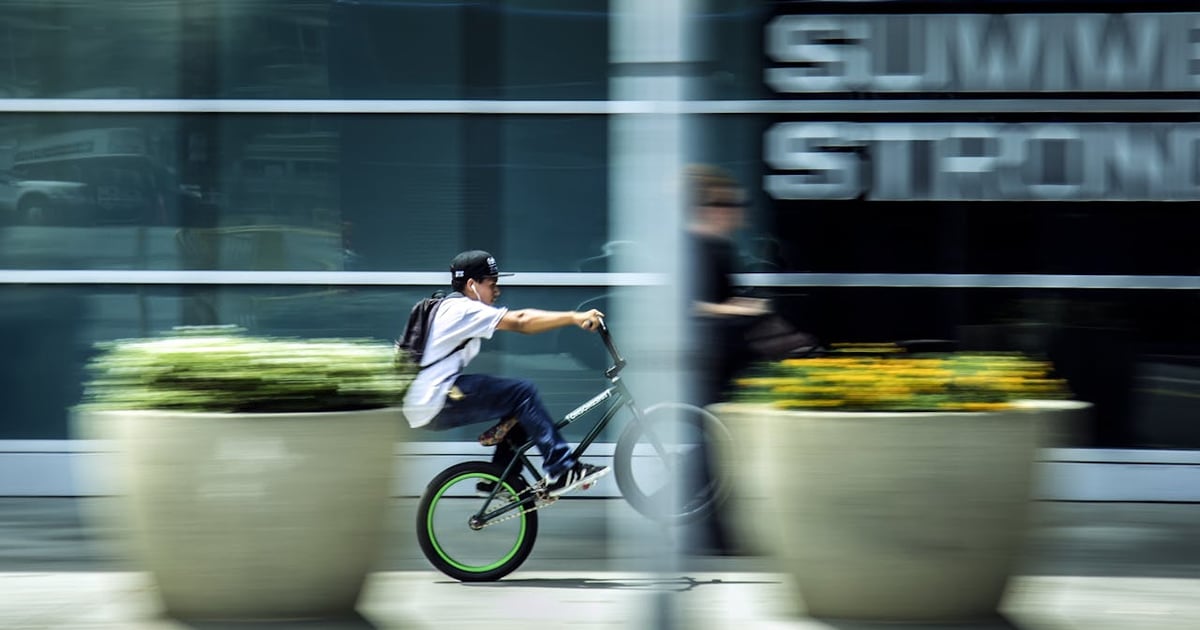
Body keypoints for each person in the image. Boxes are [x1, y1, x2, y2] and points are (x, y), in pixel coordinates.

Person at [402, 249, 610, 497]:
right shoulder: (463, 309)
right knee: (523, 392)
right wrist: (574, 317)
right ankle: (562, 469)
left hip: (429, 399)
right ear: (472, 284)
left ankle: (501, 478)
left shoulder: (451, 308)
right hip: (435, 399)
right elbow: (521, 321)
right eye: (492, 284)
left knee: (518, 404)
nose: (497, 291)